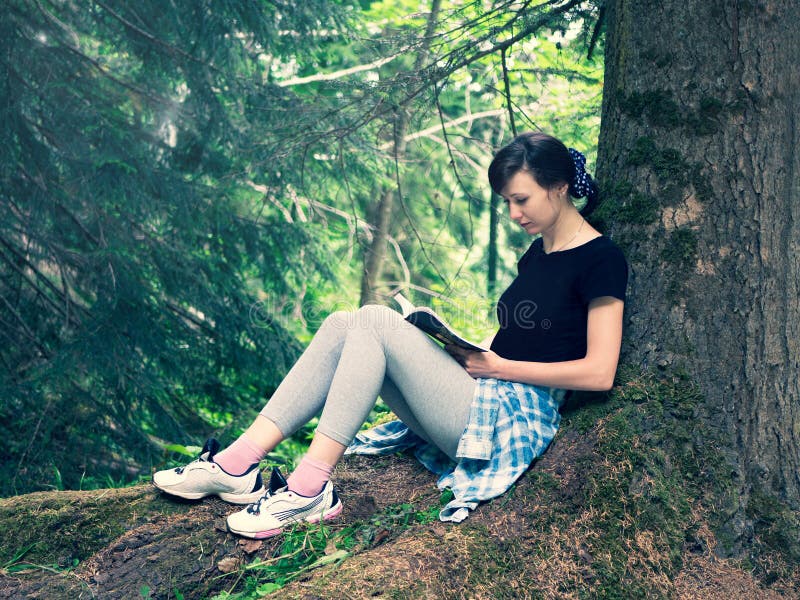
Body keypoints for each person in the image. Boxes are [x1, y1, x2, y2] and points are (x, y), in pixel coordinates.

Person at [152, 131, 628, 538]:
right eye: (507, 202)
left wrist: (499, 366)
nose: (513, 213)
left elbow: (601, 371)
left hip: (510, 420)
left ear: (560, 187)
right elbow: (530, 334)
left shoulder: (601, 259)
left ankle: (308, 490)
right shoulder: (537, 254)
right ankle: (237, 465)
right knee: (345, 322)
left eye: (520, 200)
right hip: (482, 392)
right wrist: (467, 349)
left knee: (376, 322)